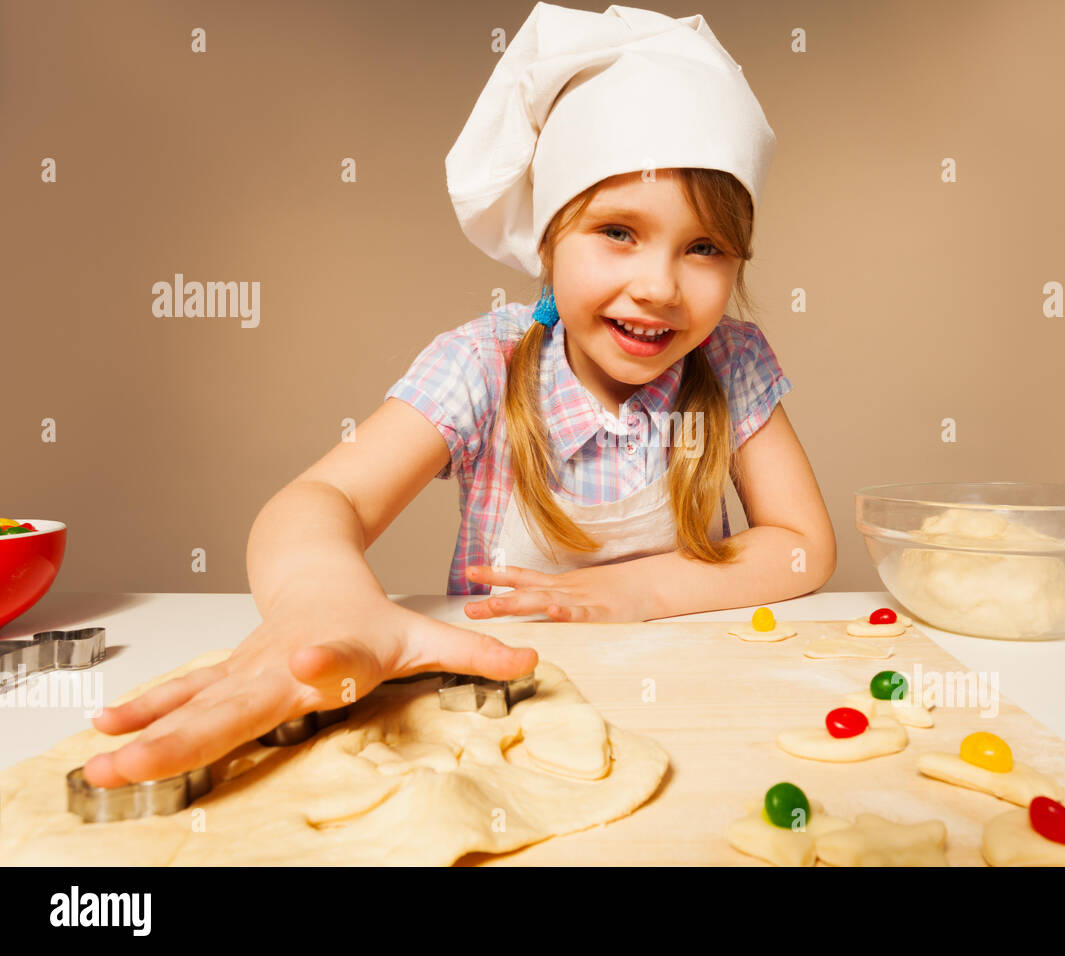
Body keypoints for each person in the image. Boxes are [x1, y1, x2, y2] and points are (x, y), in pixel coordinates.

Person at [82, 2, 835, 789]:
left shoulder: (732, 362)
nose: (657, 286)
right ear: (547, 237)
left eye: (704, 248)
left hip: (693, 713)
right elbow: (319, 498)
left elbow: (801, 544)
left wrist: (636, 590)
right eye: (618, 231)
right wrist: (324, 600)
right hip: (507, 721)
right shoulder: (485, 365)